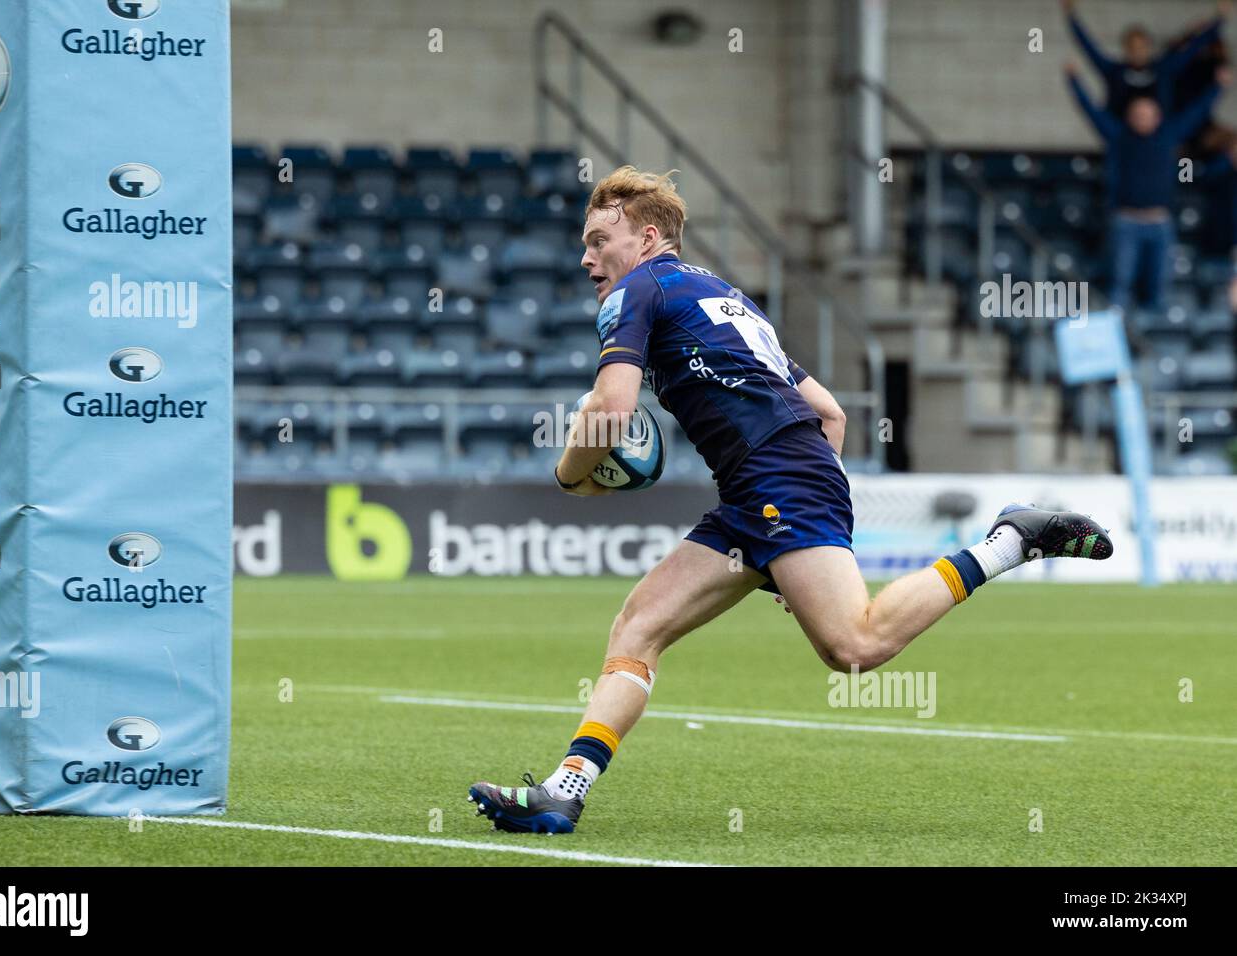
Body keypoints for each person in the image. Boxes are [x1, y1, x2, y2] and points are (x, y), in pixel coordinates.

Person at [467, 167, 1114, 835]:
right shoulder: (728, 298)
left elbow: (611, 408)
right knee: (638, 628)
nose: (587, 257)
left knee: (854, 645)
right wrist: (793, 543)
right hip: (767, 488)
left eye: (600, 239)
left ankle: (1010, 539)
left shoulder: (637, 289)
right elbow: (830, 413)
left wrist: (569, 474)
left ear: (647, 237)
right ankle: (564, 790)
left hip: (777, 478)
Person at [1068, 61, 1228, 312]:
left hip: (1159, 223)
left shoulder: (1169, 135)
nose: (1142, 118)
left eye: (1147, 114)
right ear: (1129, 117)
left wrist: (1218, 87)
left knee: (1160, 286)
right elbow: (1091, 111)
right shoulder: (1119, 137)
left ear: (1158, 117)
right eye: (1137, 114)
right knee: (1120, 284)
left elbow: (1197, 111)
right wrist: (1074, 81)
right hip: (1126, 222)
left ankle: (1157, 340)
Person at [1062, 0, 1228, 119]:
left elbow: (1192, 48)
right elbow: (1089, 47)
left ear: (1148, 47)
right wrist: (1071, 17)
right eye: (1132, 48)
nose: (1137, 52)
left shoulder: (1163, 68)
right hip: (1121, 138)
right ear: (1125, 49)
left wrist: (1219, 20)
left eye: (1141, 47)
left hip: (1158, 136)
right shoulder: (1114, 72)